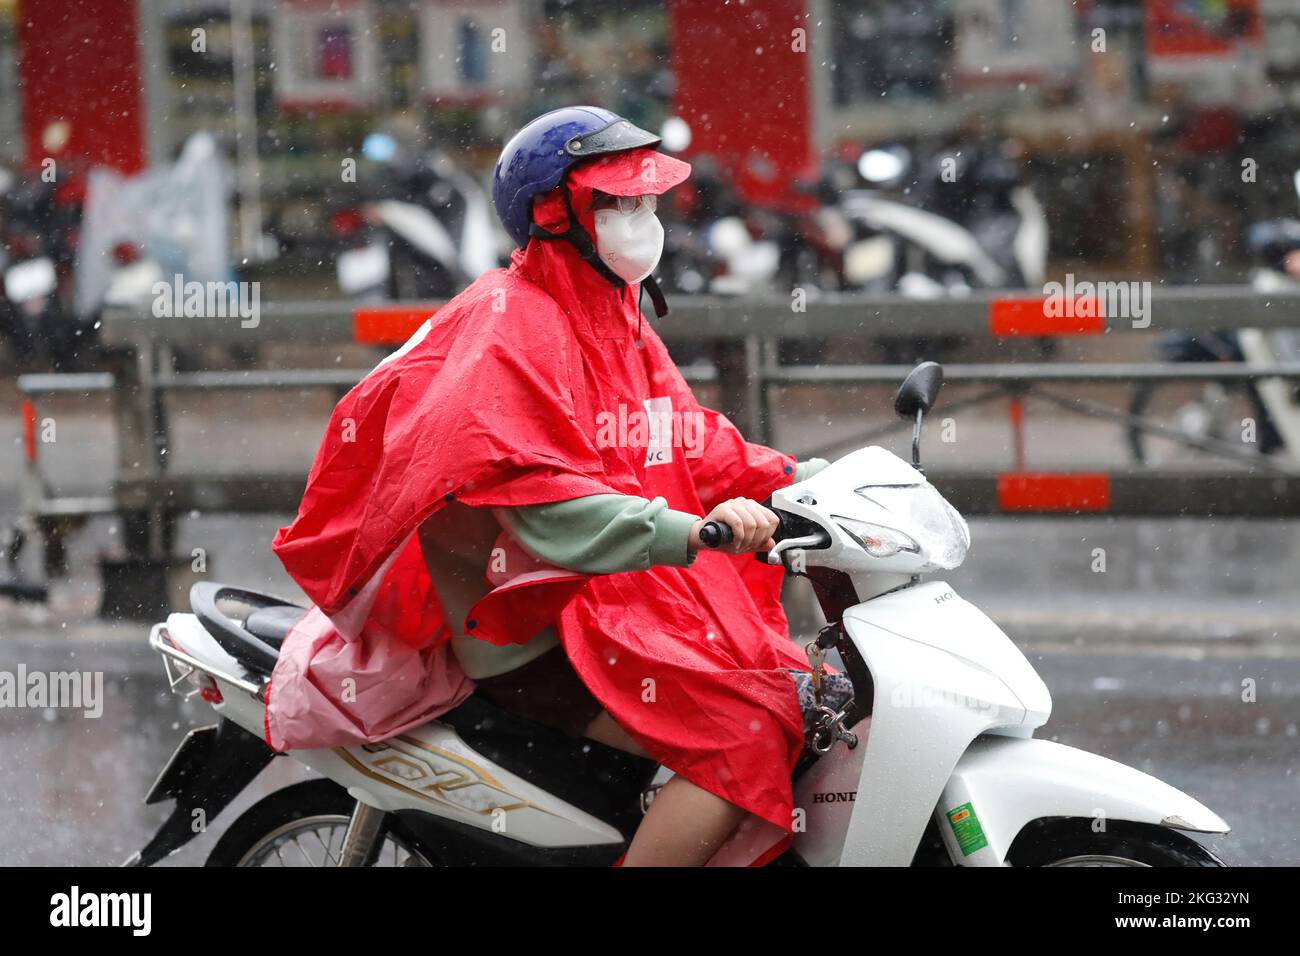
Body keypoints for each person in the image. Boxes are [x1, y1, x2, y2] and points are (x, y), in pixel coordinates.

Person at [267, 106, 845, 866]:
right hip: (533, 628)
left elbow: (686, 438)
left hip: (614, 597)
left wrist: (809, 482)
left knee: (806, 696)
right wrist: (687, 531)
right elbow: (542, 509)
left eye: (646, 202)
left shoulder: (614, 311)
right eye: (619, 202)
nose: (644, 217)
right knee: (744, 735)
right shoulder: (511, 325)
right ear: (554, 214)